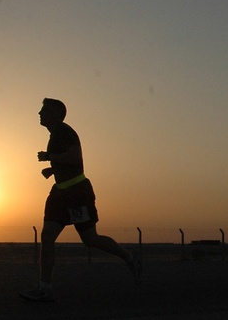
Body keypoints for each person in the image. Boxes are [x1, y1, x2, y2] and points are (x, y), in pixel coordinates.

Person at [20, 98, 142, 302]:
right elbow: (69, 159)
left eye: (44, 110)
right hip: (59, 194)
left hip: (77, 193)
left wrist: (50, 157)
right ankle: (44, 287)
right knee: (47, 236)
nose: (39, 114)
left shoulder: (64, 131)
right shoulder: (56, 134)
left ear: (57, 114)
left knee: (90, 239)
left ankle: (130, 258)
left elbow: (75, 156)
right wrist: (53, 169)